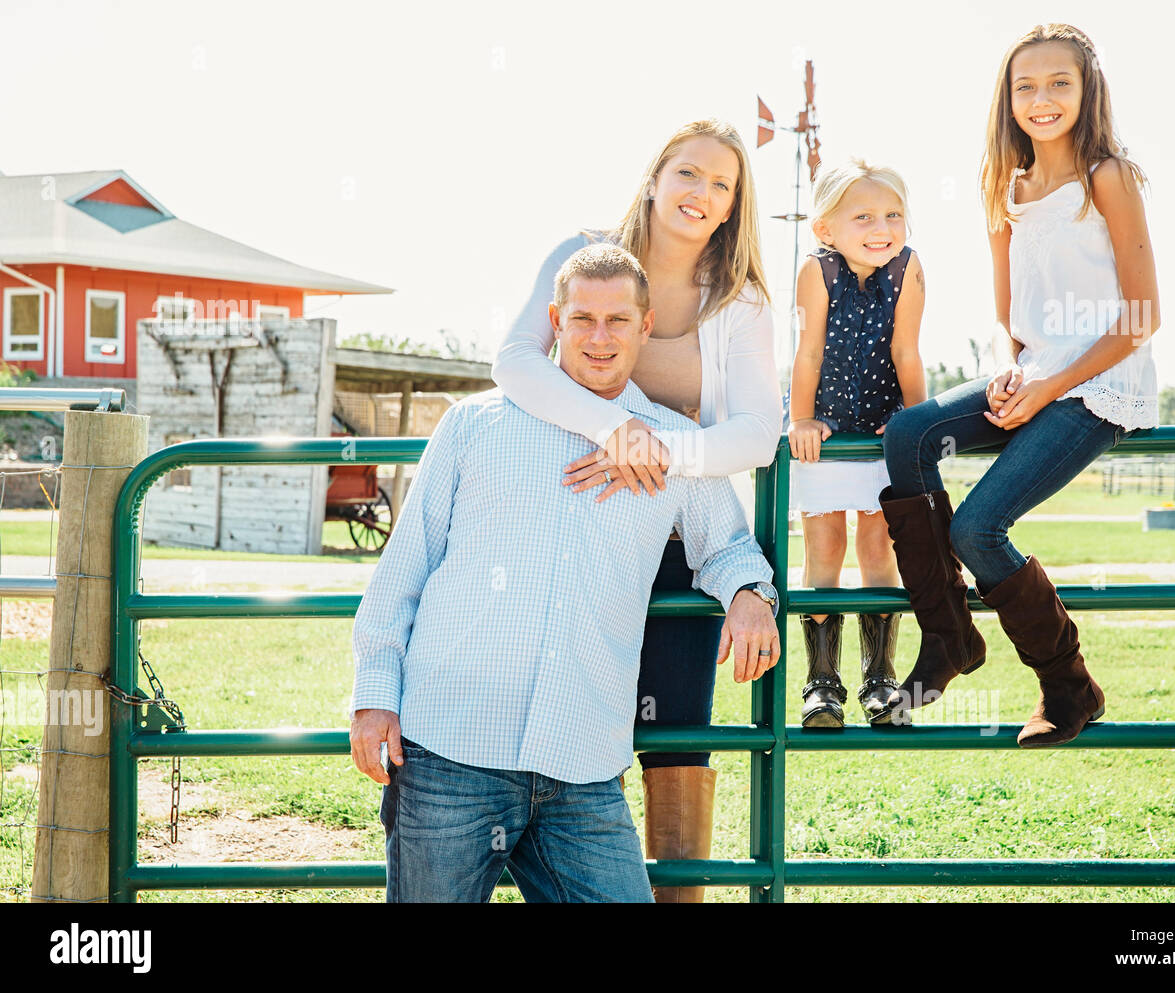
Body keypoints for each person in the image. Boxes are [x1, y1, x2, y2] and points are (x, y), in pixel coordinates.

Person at [351, 244, 781, 903]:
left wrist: (751, 594)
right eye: (583, 318)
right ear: (554, 320)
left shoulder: (669, 444)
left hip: (581, 771)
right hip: (450, 754)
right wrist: (376, 692)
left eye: (617, 320)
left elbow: (727, 545)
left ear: (646, 324)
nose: (600, 338)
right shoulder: (474, 424)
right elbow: (405, 566)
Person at [491, 119, 780, 901]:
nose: (701, 194)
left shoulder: (740, 300)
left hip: (677, 532)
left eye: (722, 185)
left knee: (677, 725)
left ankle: (677, 893)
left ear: (731, 208)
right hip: (570, 518)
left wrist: (658, 452)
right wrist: (612, 430)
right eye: (688, 174)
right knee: (551, 699)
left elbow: (757, 432)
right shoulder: (583, 255)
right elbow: (514, 360)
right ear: (654, 178)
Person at [878, 22, 1160, 747]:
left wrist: (1050, 384)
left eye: (1059, 83)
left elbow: (1142, 315)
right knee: (908, 433)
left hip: (1100, 381)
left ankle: (1068, 684)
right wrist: (1015, 369)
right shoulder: (1005, 186)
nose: (1042, 98)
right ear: (1007, 99)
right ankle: (949, 638)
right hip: (1037, 372)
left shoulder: (1107, 176)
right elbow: (1014, 312)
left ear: (1086, 89)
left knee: (977, 528)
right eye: (1025, 85)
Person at [786, 160, 926, 728]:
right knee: (824, 549)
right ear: (826, 229)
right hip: (828, 430)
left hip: (884, 431)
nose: (882, 226)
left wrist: (916, 426)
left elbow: (907, 354)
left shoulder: (909, 269)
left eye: (893, 214)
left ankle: (880, 678)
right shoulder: (816, 272)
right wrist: (801, 419)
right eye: (863, 215)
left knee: (878, 548)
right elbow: (809, 352)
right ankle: (822, 684)